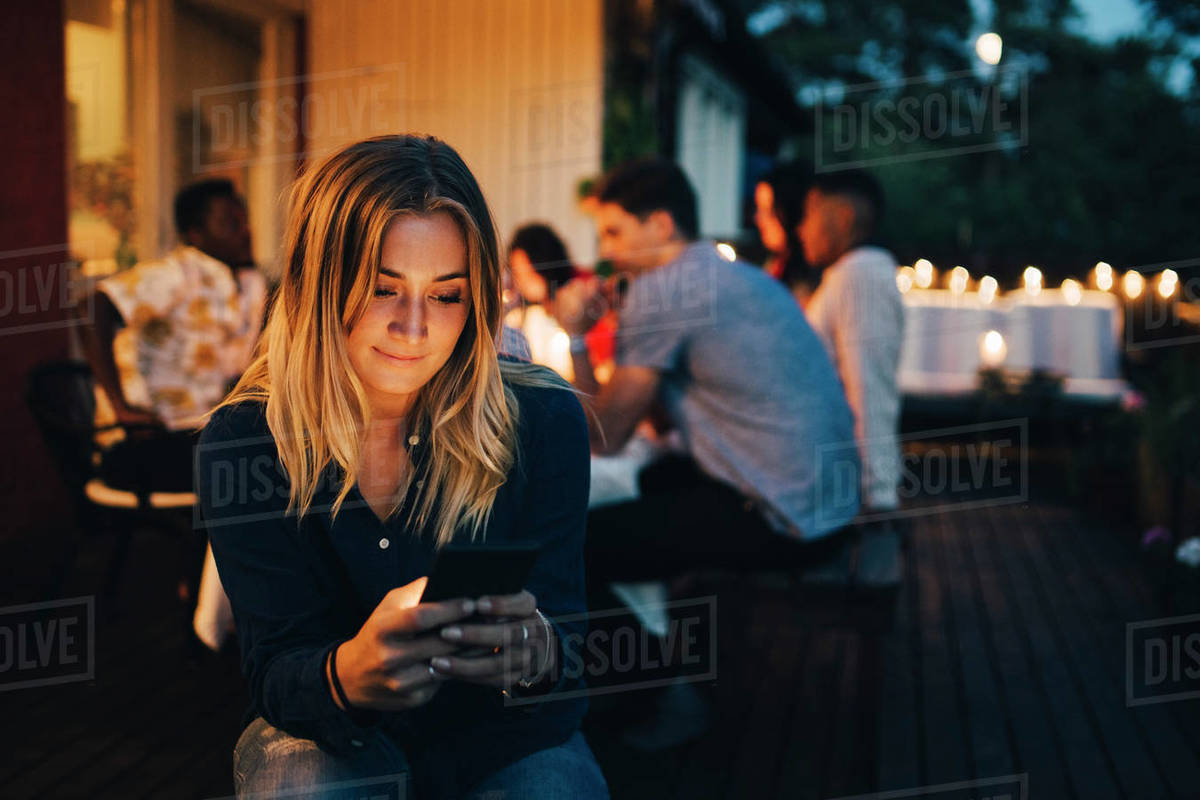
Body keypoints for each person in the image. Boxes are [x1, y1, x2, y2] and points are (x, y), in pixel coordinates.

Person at [195, 135, 608, 800]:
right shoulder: (247, 440)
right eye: (384, 288)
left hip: (501, 735)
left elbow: (569, 648)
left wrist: (539, 654)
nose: (414, 329)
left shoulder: (544, 421)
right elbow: (275, 670)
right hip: (327, 734)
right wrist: (345, 675)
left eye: (446, 296)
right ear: (318, 285)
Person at [551, 157, 861, 583]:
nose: (605, 251)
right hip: (833, 504)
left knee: (570, 543)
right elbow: (661, 420)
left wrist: (577, 337)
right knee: (646, 482)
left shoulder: (663, 289)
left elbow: (604, 438)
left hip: (785, 518)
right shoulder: (738, 275)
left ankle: (645, 648)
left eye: (614, 232)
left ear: (661, 225)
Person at [80, 179, 267, 493]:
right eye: (230, 222)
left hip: (200, 435)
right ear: (196, 235)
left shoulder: (247, 282)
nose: (245, 230)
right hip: (142, 442)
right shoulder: (177, 274)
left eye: (244, 219)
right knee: (257, 471)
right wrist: (121, 407)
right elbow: (90, 307)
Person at [798, 169, 903, 518]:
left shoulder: (861, 276)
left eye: (810, 213)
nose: (802, 228)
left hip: (846, 494)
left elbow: (869, 389)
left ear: (844, 217)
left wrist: (877, 496)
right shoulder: (846, 275)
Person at [754, 161, 818, 306]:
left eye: (769, 212)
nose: (758, 219)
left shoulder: (810, 280)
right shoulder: (775, 263)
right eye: (758, 209)